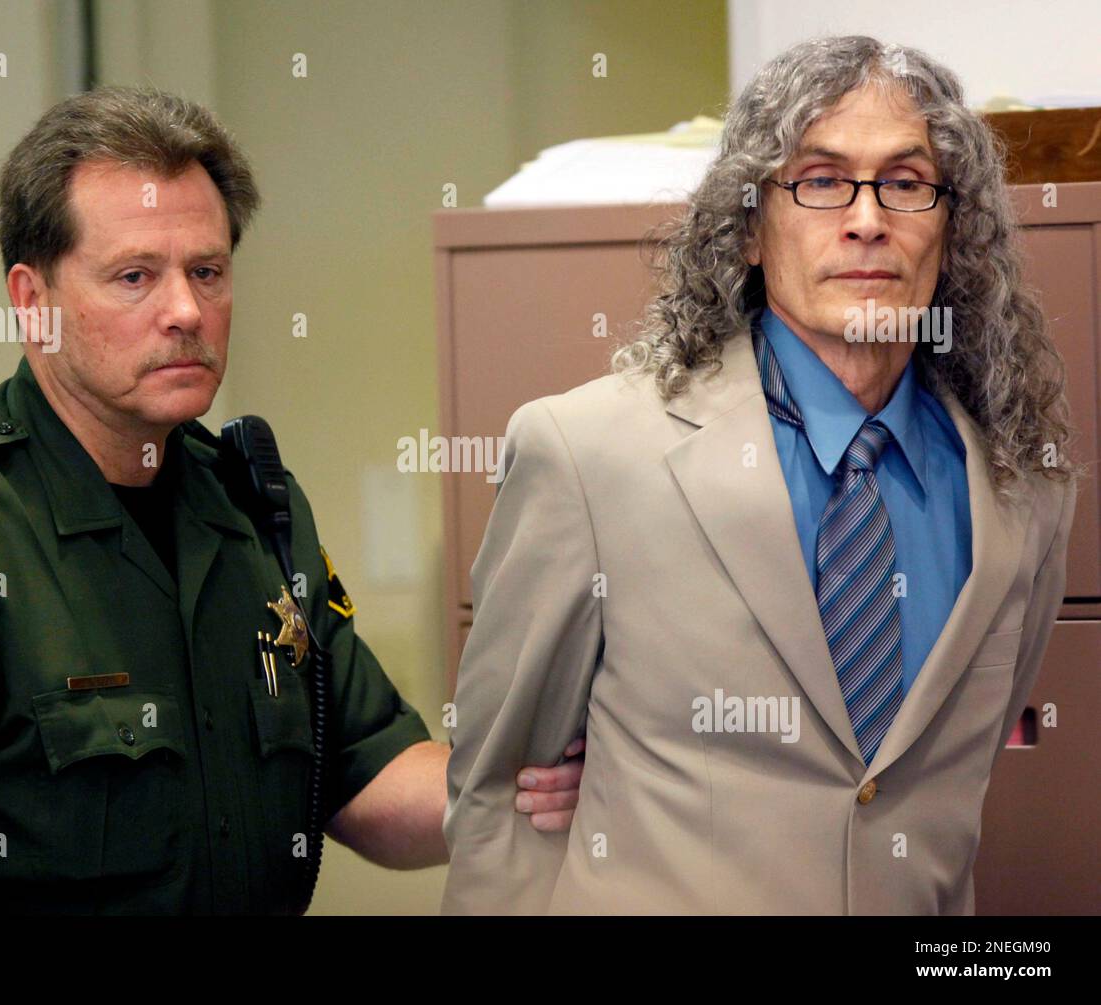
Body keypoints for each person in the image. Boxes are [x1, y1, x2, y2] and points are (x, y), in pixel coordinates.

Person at [0, 85, 582, 915]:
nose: (185, 311)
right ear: (34, 305)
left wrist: (520, 785)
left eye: (206, 271)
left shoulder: (252, 509)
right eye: (135, 276)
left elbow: (365, 766)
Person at [441, 36, 1079, 915]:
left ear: (952, 227)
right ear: (748, 226)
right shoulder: (588, 452)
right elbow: (502, 804)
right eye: (819, 181)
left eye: (905, 182)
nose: (866, 219)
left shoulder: (1025, 491)